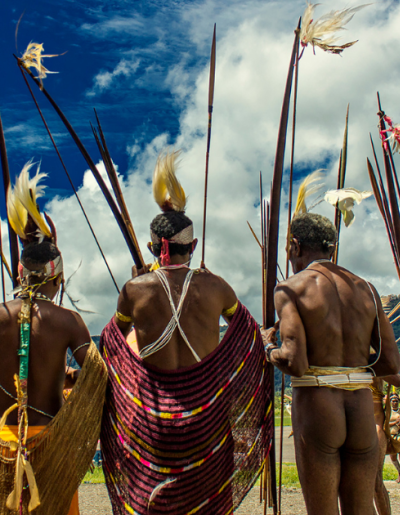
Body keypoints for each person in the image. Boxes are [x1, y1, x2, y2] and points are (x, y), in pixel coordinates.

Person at [101, 150, 273, 514]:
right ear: (192, 247)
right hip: (207, 423)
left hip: (150, 423)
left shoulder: (134, 290)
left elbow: (111, 345)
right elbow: (250, 337)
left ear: (152, 248)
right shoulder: (218, 288)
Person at [0, 163, 108, 514]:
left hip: (0, 441)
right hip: (51, 442)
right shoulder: (68, 321)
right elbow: (98, 374)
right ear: (58, 275)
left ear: (19, 271)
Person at [263, 172, 400, 515]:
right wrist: (351, 365)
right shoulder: (365, 288)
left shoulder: (292, 287)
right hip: (361, 409)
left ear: (294, 246)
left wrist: (268, 349)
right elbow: (390, 364)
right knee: (360, 509)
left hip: (319, 407)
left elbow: (295, 360)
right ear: (332, 248)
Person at [371, 375, 400, 515]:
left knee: (375, 482)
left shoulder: (375, 355)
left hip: (374, 423)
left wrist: (376, 364)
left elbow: (397, 380)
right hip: (350, 420)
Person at [386, 389, 400, 483]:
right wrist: (395, 422)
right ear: (390, 402)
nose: (395, 403)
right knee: (393, 457)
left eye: (396, 401)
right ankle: (399, 473)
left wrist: (399, 422)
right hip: (390, 436)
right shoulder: (387, 411)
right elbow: (385, 423)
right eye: (393, 401)